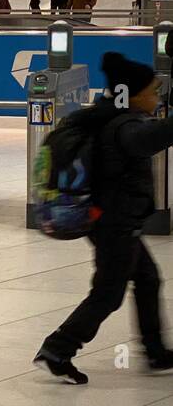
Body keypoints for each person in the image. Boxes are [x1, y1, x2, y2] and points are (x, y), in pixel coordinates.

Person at [35, 52, 173, 383]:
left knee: (148, 278)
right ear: (134, 94)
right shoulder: (124, 127)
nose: (156, 96)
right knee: (107, 294)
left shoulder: (107, 117)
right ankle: (58, 348)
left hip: (115, 221)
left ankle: (155, 351)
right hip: (115, 224)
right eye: (152, 91)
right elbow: (153, 138)